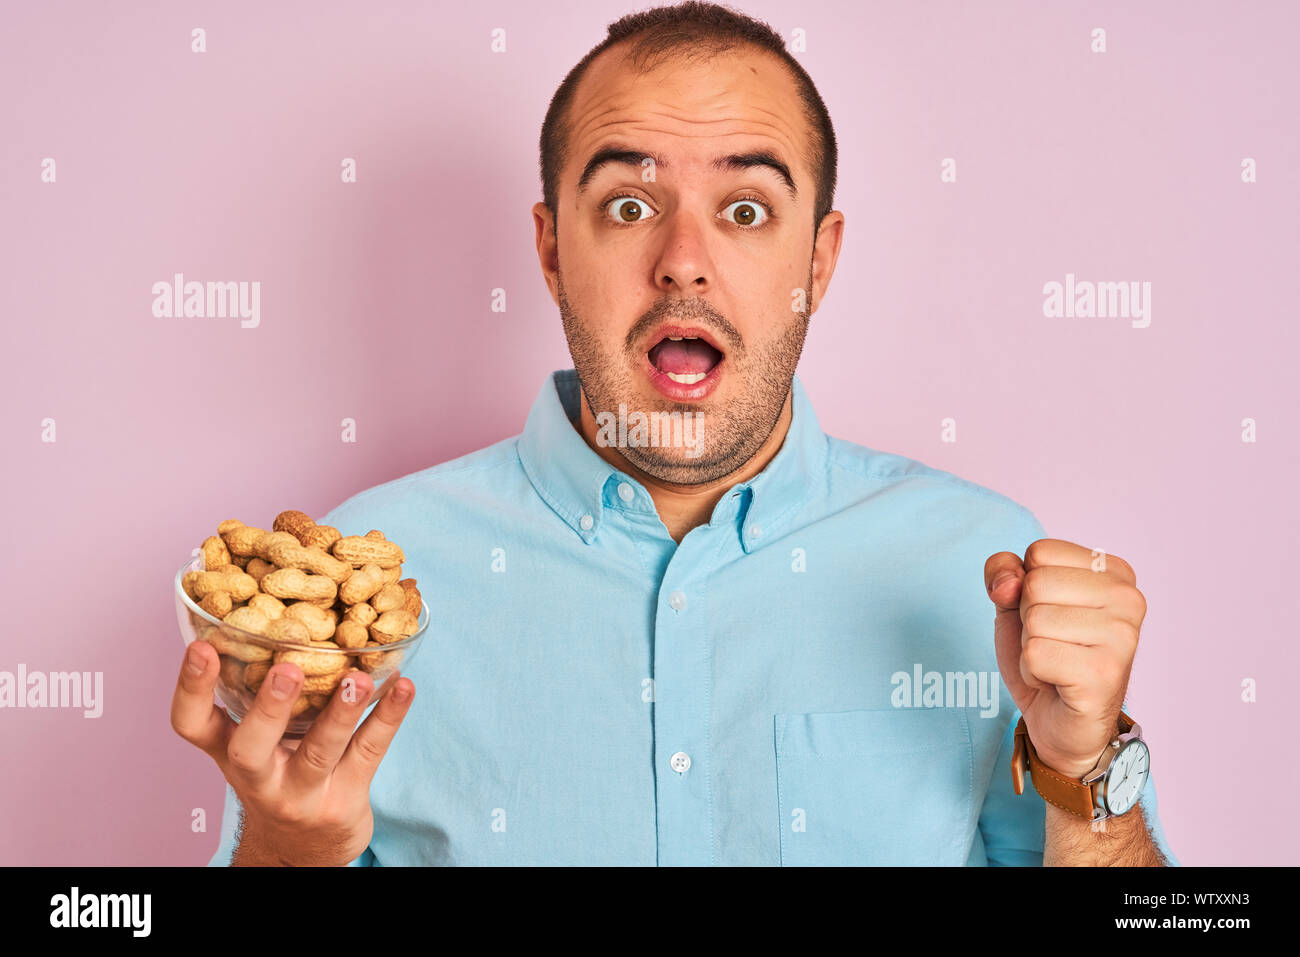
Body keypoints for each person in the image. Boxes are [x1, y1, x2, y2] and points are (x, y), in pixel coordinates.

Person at [173, 1, 1178, 866]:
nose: (683, 262)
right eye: (626, 204)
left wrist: (1083, 771)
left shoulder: (976, 569)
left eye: (744, 208)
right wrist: (290, 849)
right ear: (553, 250)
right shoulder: (368, 601)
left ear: (817, 263)